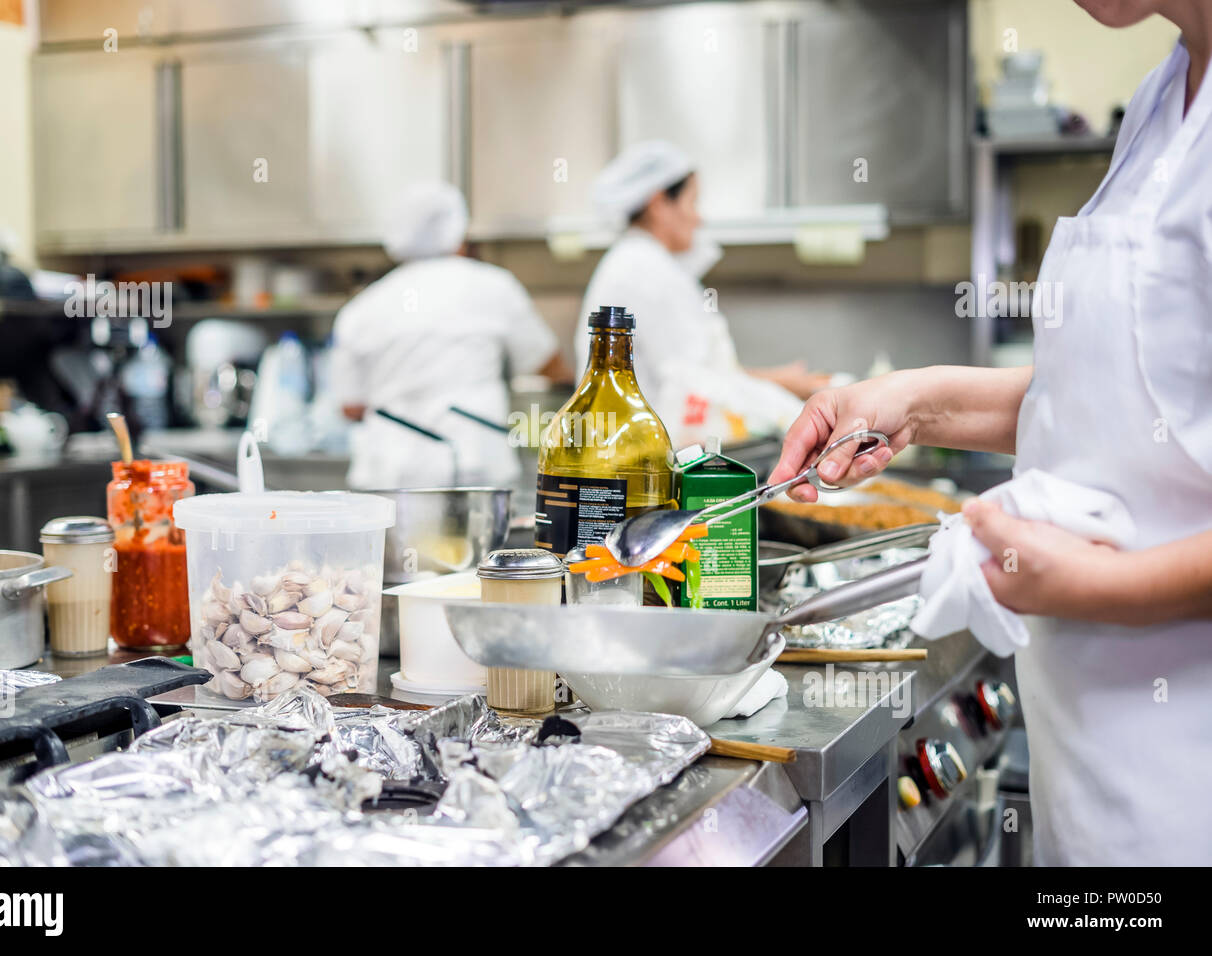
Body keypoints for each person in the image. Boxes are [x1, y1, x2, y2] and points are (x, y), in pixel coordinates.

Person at [769, 0, 1212, 865]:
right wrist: (911, 401)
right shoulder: (1166, 92)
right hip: (1094, 773)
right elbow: (1117, 402)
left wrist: (1105, 590)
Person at [576, 140, 829, 446]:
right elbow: (697, 383)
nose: (699, 218)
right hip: (643, 454)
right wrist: (785, 391)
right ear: (658, 204)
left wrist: (779, 382)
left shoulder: (639, 262)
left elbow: (699, 372)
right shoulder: (646, 270)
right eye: (693, 202)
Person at [331, 182, 564, 488]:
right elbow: (552, 367)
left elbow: (349, 406)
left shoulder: (361, 308)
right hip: (474, 470)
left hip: (391, 475)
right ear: (458, 232)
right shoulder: (494, 285)